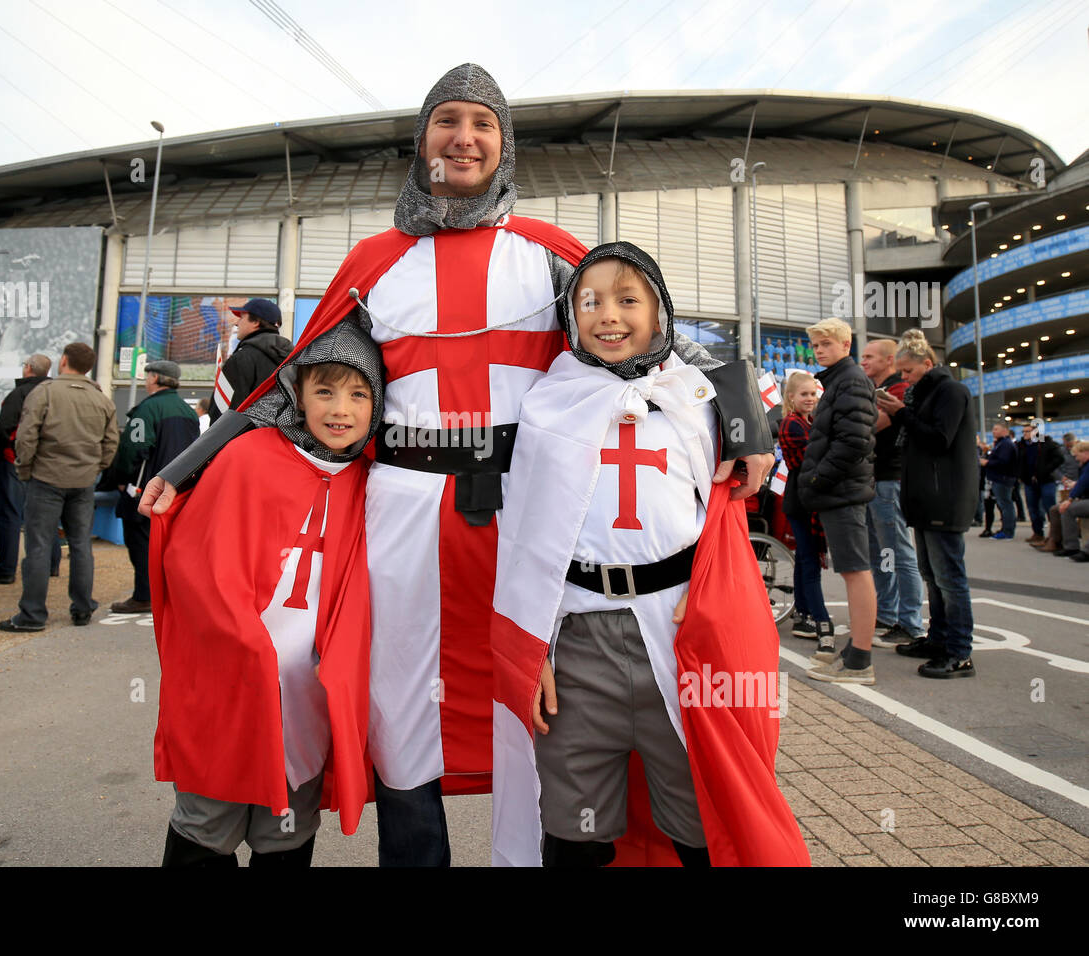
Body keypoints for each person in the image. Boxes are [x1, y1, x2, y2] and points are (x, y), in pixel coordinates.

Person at [140, 63, 774, 866]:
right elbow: (286, 385)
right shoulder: (374, 262)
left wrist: (746, 420)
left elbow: (666, 341)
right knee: (400, 708)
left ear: (503, 145)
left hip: (530, 513)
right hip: (404, 511)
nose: (463, 137)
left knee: (549, 708)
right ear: (422, 141)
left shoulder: (550, 254)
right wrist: (193, 460)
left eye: (482, 122)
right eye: (447, 120)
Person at [488, 243, 808, 866]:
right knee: (573, 826)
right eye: (591, 301)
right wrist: (531, 649)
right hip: (578, 639)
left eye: (628, 300)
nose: (609, 315)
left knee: (699, 816)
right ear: (571, 316)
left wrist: (752, 426)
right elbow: (522, 537)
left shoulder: (697, 402)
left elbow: (733, 494)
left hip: (678, 633)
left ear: (659, 313)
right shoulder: (546, 404)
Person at [154, 323, 383, 867]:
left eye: (358, 394)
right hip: (233, 681)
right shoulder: (247, 457)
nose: (340, 409)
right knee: (206, 823)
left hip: (309, 693)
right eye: (324, 391)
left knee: (287, 832)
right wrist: (246, 646)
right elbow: (197, 563)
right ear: (296, 393)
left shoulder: (370, 480)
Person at [876, 329, 979, 678]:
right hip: (927, 497)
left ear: (927, 363)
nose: (904, 378)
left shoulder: (951, 391)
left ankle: (960, 651)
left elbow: (939, 439)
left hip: (944, 498)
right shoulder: (927, 392)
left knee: (949, 577)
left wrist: (902, 413)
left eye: (909, 371)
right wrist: (906, 411)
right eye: (902, 372)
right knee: (933, 575)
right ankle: (939, 639)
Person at [0, 342, 118, 632]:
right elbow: (111, 442)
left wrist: (25, 470)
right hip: (83, 481)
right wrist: (95, 467)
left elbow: (26, 437)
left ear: (64, 361)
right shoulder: (101, 399)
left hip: (46, 479)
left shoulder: (45, 393)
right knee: (80, 546)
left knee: (38, 546)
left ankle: (33, 614)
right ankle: (82, 608)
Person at [796, 318, 877, 684]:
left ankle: (860, 660)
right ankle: (854, 653)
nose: (820, 350)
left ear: (846, 344)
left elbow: (854, 442)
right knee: (852, 570)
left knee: (855, 571)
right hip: (839, 491)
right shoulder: (839, 381)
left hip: (842, 492)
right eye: (816, 345)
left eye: (827, 343)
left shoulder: (850, 381)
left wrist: (816, 478)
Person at [110, 360, 198, 614]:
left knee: (139, 541)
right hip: (180, 489)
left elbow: (134, 449)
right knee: (170, 544)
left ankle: (144, 594)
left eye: (148, 376)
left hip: (146, 488)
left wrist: (120, 477)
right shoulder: (188, 410)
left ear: (155, 379)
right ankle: (169, 592)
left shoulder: (148, 409)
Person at [859, 337, 923, 647]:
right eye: (863, 356)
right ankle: (887, 612)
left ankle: (910, 622)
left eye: (870, 356)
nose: (864, 361)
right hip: (873, 479)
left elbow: (872, 426)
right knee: (879, 553)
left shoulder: (899, 389)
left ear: (889, 360)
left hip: (888, 479)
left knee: (898, 552)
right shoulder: (876, 390)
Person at [0, 354, 61, 586]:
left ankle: (6, 569)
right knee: (46, 515)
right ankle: (52, 564)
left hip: (15, 460)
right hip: (48, 463)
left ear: (27, 369)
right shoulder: (56, 394)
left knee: (9, 515)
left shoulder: (19, 394)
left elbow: (5, 427)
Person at [778, 371, 832, 643]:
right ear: (791, 397)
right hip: (801, 500)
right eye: (805, 394)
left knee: (804, 560)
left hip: (802, 499)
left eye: (813, 394)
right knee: (809, 562)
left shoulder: (807, 422)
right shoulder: (792, 424)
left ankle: (804, 613)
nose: (811, 399)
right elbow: (806, 463)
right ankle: (817, 617)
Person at [220, 298, 292, 409]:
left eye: (242, 318)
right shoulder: (292, 360)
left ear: (255, 322)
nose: (237, 323)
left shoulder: (241, 359)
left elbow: (224, 411)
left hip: (247, 426)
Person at [1018, 420, 1065, 546]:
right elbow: (1019, 461)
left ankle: (1054, 536)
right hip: (1029, 482)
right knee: (1033, 508)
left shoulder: (1047, 443)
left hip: (1046, 481)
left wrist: (1045, 470)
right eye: (1023, 432)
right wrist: (1021, 475)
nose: (1024, 434)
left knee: (1049, 507)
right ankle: (1038, 533)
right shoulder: (1022, 445)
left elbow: (1059, 458)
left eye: (1027, 431)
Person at [1039, 432, 1081, 552]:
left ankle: (1067, 543)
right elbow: (1054, 468)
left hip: (1077, 487)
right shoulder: (1061, 452)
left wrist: (1072, 495)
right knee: (1056, 509)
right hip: (1066, 484)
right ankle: (1054, 539)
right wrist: (1062, 478)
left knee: (1064, 509)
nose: (1076, 457)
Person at [979, 423, 1018, 539]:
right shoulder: (1000, 443)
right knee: (1003, 504)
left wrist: (987, 463)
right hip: (998, 478)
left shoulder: (1006, 444)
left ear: (1005, 430)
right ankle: (1005, 529)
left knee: (1005, 504)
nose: (993, 431)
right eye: (993, 429)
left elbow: (1003, 461)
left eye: (996, 429)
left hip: (1002, 479)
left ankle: (1008, 531)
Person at [1053, 441, 1089, 561]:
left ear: (1086, 453)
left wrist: (1070, 499)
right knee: (1059, 509)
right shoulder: (1084, 466)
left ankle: (1072, 547)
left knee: (1067, 510)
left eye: (1077, 455)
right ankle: (1056, 542)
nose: (1075, 458)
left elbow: (1083, 483)